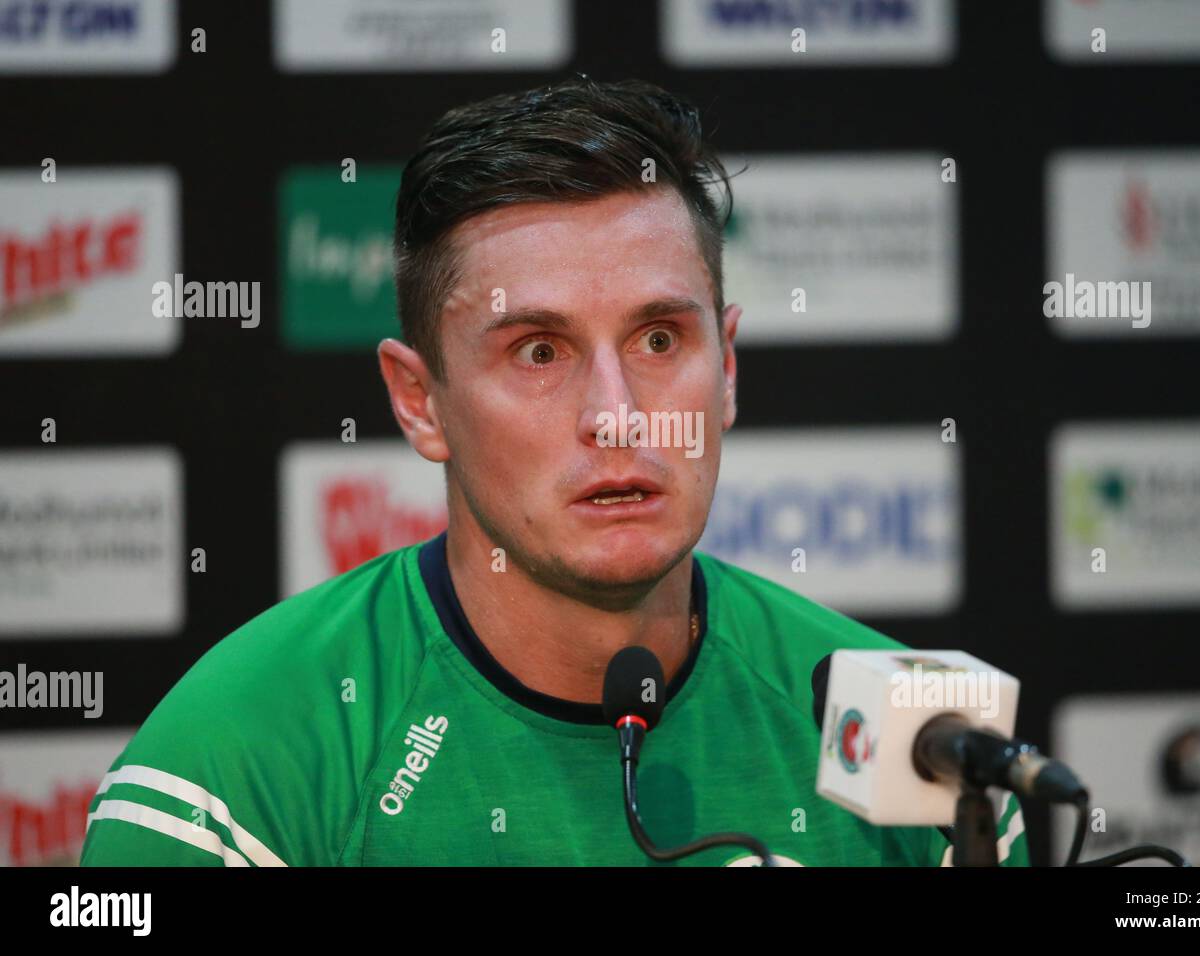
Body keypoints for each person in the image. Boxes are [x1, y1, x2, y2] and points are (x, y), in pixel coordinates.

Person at [81, 76, 1027, 866]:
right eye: (538, 352)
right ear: (420, 401)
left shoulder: (931, 752)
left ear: (727, 370)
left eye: (660, 338)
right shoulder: (228, 773)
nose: (616, 418)